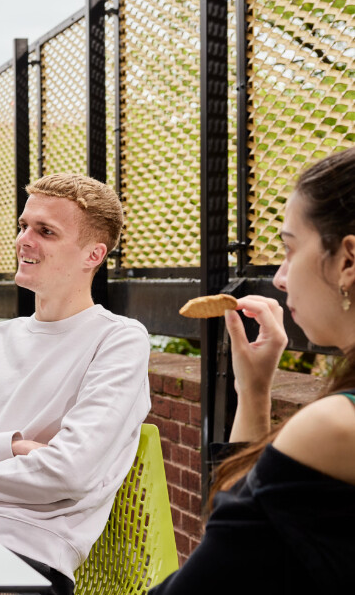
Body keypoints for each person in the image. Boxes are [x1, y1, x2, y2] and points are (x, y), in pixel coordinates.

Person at [0, 173, 151, 595]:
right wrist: (12, 447)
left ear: (93, 254)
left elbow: (67, 473)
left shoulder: (118, 340)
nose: (24, 240)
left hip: (25, 556)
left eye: (46, 231)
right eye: (23, 226)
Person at [150, 150, 355, 593]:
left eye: (289, 249)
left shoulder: (336, 427)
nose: (280, 278)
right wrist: (254, 389)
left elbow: (215, 570)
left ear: (348, 260)